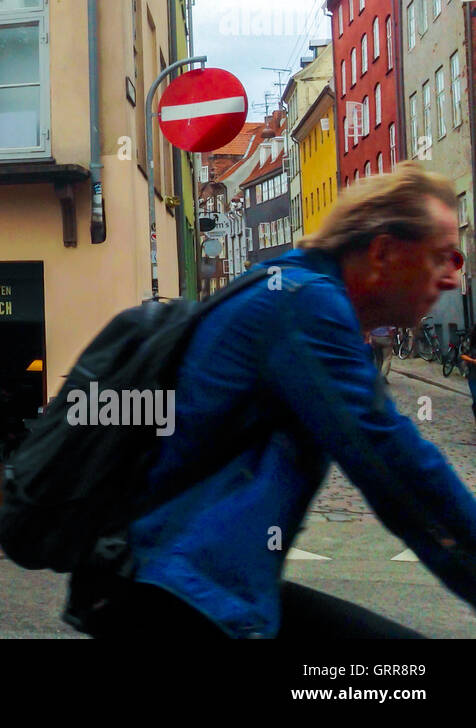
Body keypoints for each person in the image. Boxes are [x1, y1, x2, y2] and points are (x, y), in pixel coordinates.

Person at [73, 163, 476, 638]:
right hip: (173, 594)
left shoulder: (288, 284)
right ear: (384, 252)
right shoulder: (304, 307)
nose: (452, 277)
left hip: (188, 582)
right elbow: (398, 468)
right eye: (440, 256)